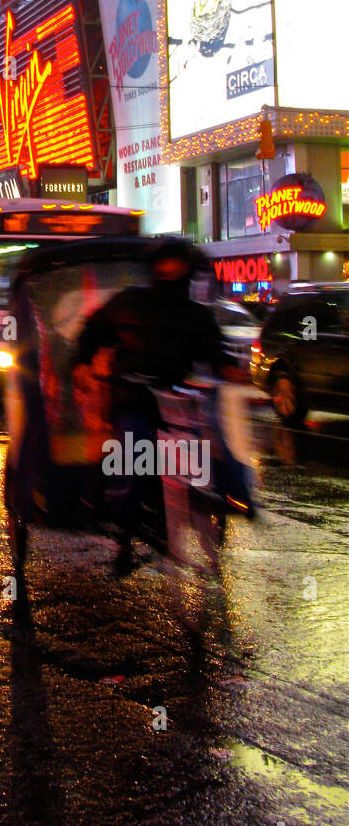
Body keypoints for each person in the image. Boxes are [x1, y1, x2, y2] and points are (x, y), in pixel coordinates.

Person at [72, 238, 248, 575]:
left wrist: (234, 373)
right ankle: (122, 535)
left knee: (215, 445)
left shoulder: (197, 316)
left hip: (178, 403)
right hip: (133, 400)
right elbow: (93, 330)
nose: (171, 271)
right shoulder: (129, 302)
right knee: (131, 462)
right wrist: (82, 363)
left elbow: (217, 354)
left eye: (177, 265)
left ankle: (234, 497)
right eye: (166, 264)